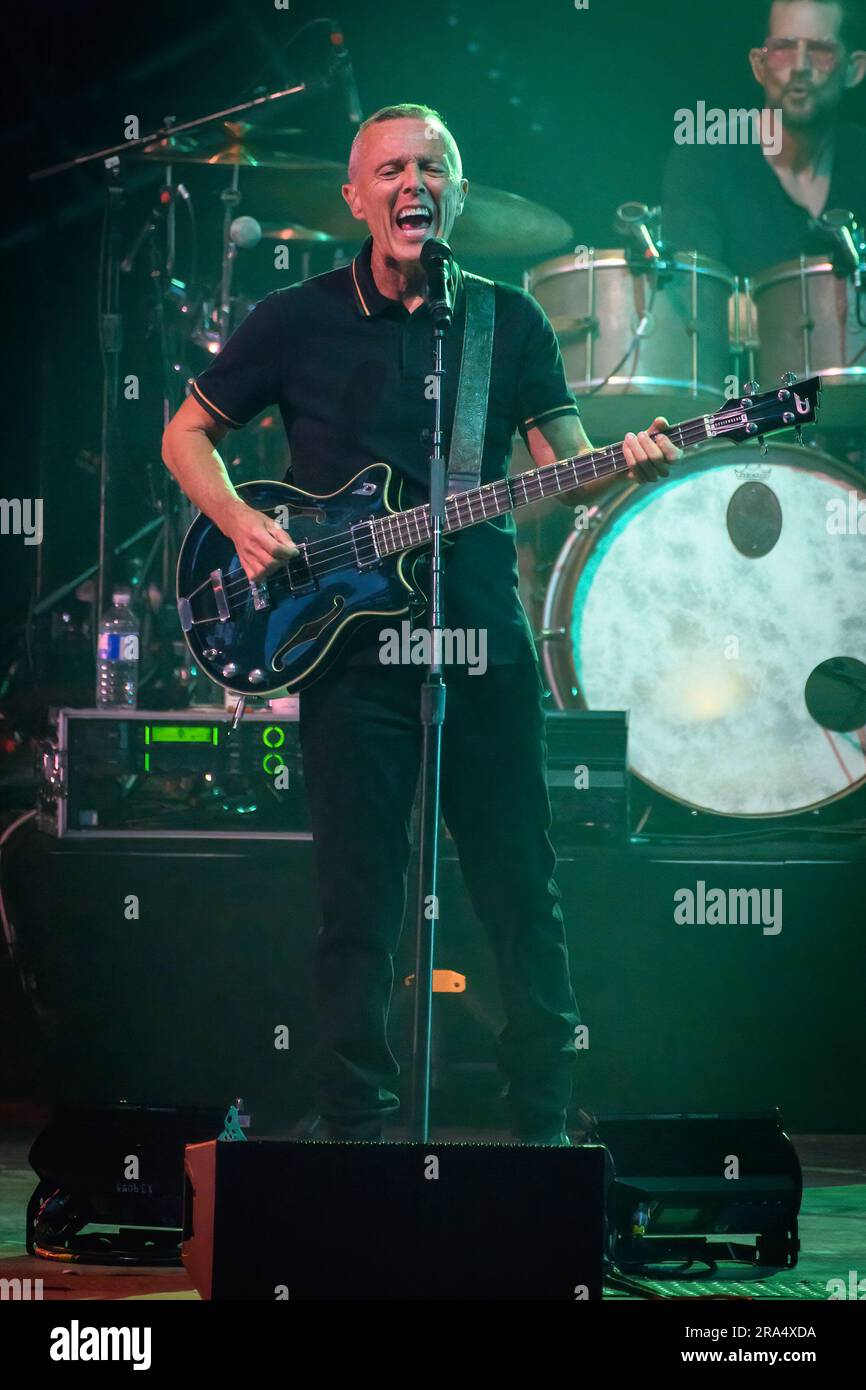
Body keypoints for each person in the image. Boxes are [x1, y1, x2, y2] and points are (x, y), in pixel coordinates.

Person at [162, 104, 679, 1144]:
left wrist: (618, 469)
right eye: (391, 169)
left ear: (457, 191)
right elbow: (186, 435)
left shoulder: (505, 323)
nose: (413, 184)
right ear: (354, 198)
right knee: (358, 896)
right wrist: (239, 521)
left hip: (477, 631)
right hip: (344, 647)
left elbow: (558, 471)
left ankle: (542, 1124)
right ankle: (354, 1125)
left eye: (431, 167)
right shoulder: (295, 317)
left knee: (517, 884)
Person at [663, 0, 866, 278]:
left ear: (853, 70)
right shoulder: (704, 160)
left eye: (820, 51)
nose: (799, 67)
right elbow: (694, 303)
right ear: (759, 66)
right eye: (783, 49)